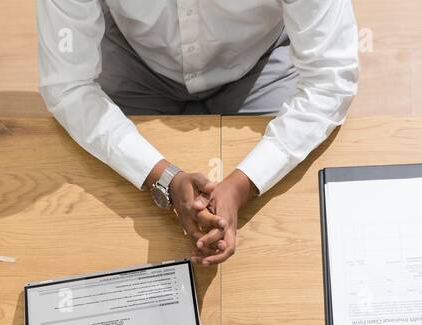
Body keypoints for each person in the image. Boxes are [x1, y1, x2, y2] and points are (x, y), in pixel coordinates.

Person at [38, 0, 359, 266]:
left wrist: (243, 183)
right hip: (135, 60)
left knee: (282, 243)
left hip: (259, 64)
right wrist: (162, 176)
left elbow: (328, 82)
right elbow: (69, 86)